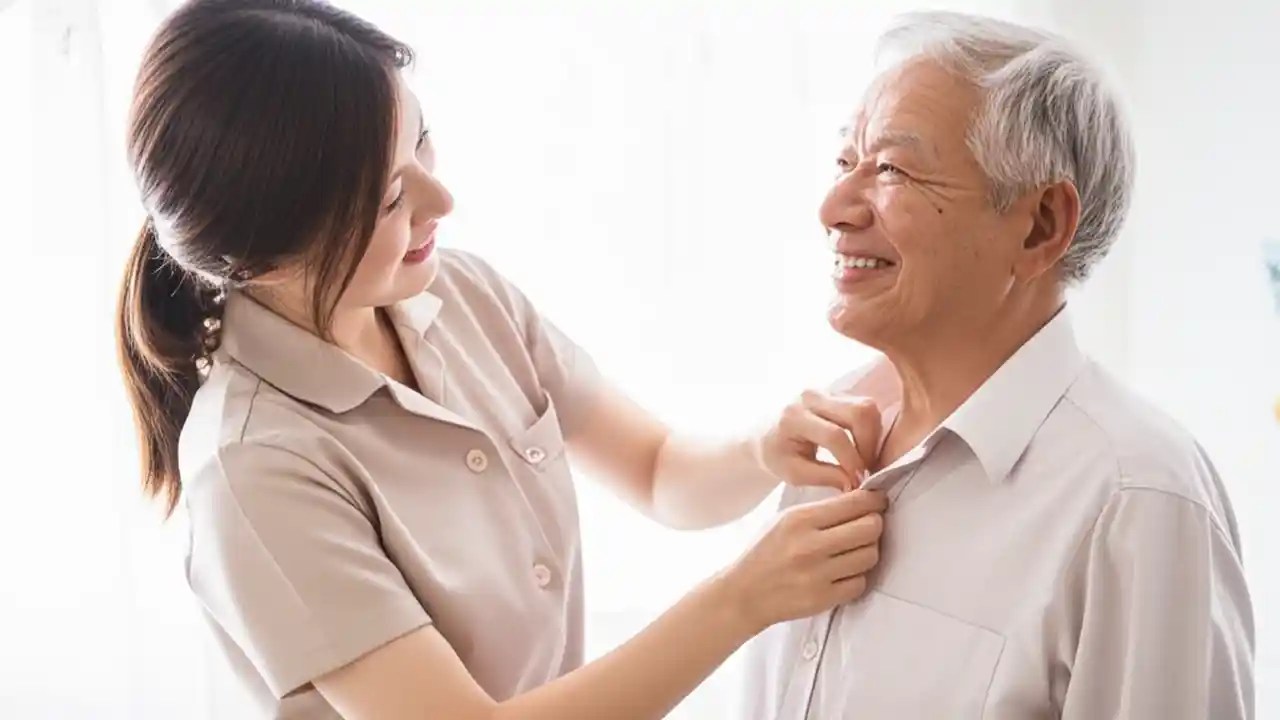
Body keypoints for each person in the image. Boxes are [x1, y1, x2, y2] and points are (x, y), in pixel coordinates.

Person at [114, 2, 889, 719]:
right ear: (263, 254)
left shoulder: (462, 293)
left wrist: (761, 451)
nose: (440, 198)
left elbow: (657, 470)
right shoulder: (255, 470)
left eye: (421, 140)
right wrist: (743, 599)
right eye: (389, 198)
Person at [744, 11, 1255, 720]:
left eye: (891, 168)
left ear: (1041, 225)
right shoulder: (827, 442)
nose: (833, 207)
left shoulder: (1136, 498)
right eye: (844, 162)